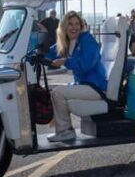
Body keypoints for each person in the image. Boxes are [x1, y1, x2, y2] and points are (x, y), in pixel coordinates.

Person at [46, 11, 108, 142]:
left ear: (81, 26)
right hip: (83, 85)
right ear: (64, 27)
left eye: (77, 24)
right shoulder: (69, 42)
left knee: (57, 93)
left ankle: (65, 131)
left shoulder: (87, 40)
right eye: (70, 24)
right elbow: (50, 52)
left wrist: (65, 61)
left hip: (95, 87)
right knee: (53, 91)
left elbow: (86, 64)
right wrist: (32, 55)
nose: (74, 27)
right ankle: (65, 130)